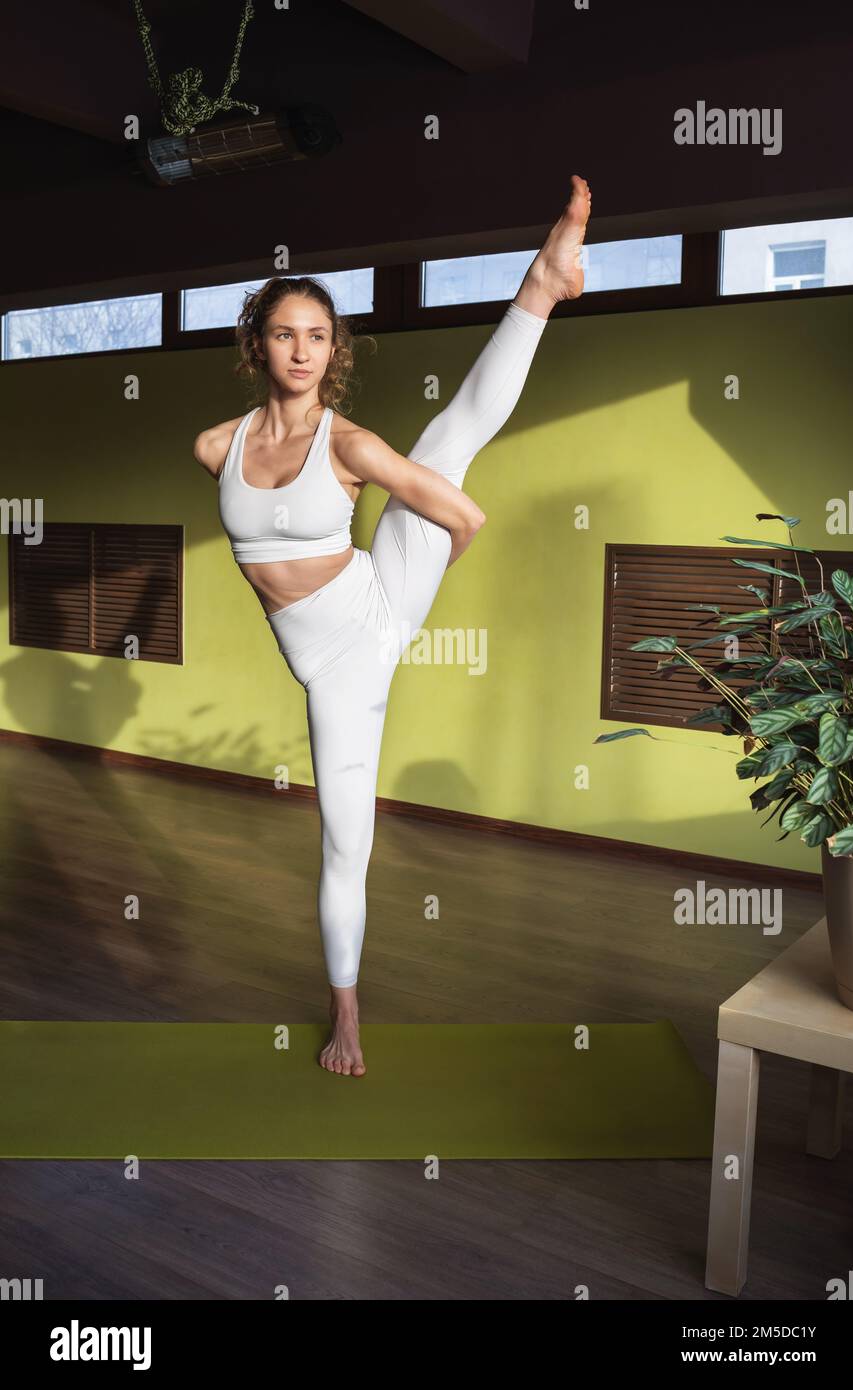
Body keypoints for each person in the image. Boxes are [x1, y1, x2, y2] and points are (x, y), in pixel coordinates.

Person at [194, 174, 592, 1078]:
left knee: (449, 440)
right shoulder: (218, 448)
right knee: (343, 836)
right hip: (325, 659)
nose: (302, 349)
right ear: (259, 343)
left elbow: (467, 520)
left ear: (333, 351)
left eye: (318, 337)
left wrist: (406, 616)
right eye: (286, 333)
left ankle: (542, 280)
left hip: (372, 628)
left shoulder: (350, 445)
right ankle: (343, 1002)